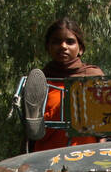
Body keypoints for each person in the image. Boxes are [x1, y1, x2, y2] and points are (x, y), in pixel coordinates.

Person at [23, 17, 104, 152]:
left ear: (81, 49)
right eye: (56, 42)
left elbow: (104, 124)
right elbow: (29, 135)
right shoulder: (38, 80)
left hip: (85, 154)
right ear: (48, 48)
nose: (63, 46)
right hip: (46, 156)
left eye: (70, 42)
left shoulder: (92, 76)